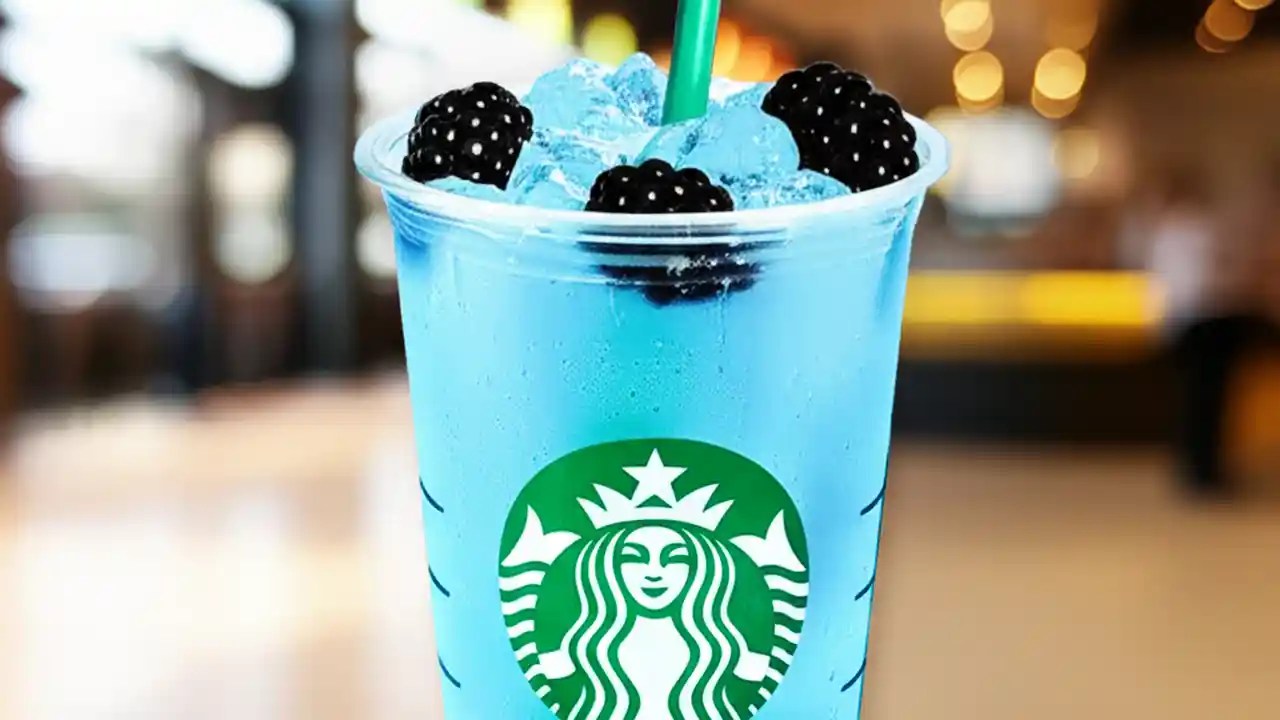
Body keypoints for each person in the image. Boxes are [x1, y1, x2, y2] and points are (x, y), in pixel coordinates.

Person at [1144, 170, 1258, 495]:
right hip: (1208, 320)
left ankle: (1199, 469)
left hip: (1198, 322)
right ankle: (1203, 470)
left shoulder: (1180, 230)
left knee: (1199, 401)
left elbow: (1170, 285)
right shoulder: (1197, 228)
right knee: (1205, 402)